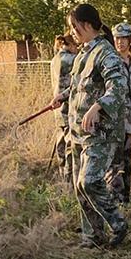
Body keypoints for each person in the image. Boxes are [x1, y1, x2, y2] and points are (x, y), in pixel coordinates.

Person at [47, 4, 129, 248]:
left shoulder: (107, 53)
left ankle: (118, 224)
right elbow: (79, 86)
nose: (72, 31)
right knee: (78, 187)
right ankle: (92, 236)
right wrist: (62, 95)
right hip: (77, 132)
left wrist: (98, 107)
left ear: (89, 24)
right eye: (71, 27)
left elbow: (119, 88)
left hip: (100, 133)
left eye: (75, 26)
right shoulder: (83, 54)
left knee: (89, 181)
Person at [105, 23, 131, 204]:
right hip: (113, 122)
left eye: (124, 38)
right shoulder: (111, 63)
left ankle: (125, 201)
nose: (120, 42)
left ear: (130, 40)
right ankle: (114, 204)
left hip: (128, 123)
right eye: (117, 38)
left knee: (126, 164)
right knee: (114, 165)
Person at [50, 32, 78, 185]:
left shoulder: (54, 59)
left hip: (58, 110)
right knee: (70, 146)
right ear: (71, 45)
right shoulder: (71, 60)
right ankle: (69, 181)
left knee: (60, 143)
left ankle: (62, 178)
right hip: (69, 109)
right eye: (77, 46)